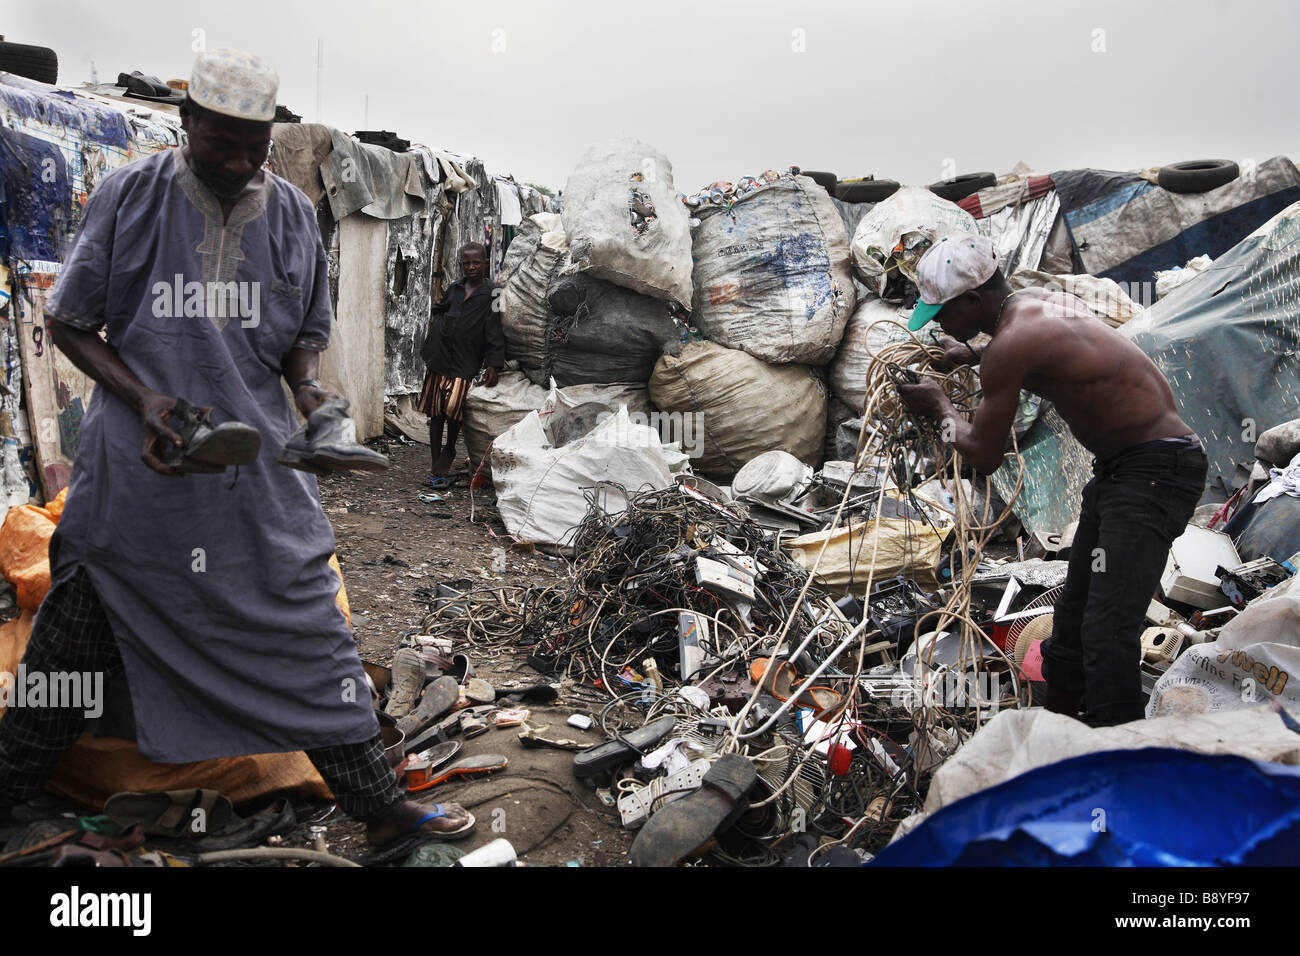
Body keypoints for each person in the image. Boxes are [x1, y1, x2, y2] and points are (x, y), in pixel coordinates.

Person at [0, 49, 473, 846]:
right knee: (76, 634)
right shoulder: (130, 196)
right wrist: (149, 400)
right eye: (223, 142)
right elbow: (70, 323)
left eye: (255, 145)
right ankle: (9, 787)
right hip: (142, 466)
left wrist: (312, 395)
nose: (241, 161)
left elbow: (303, 340)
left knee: (304, 621)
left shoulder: (290, 212)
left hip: (249, 467)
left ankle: (379, 810)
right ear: (187, 123)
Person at [896, 234, 1207, 727]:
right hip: (1128, 469)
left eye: (941, 312)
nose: (935, 322)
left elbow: (985, 454)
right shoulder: (1037, 303)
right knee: (1073, 624)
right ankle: (1053, 737)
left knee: (1107, 632)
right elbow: (1049, 349)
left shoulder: (1009, 346)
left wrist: (939, 407)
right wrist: (970, 355)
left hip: (1154, 472)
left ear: (973, 301)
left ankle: (1118, 762)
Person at [419, 243, 503, 479]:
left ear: (485, 263)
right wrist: (439, 324)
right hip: (440, 356)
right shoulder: (455, 288)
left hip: (466, 359)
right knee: (435, 411)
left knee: (453, 410)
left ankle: (449, 448)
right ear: (461, 265)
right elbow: (441, 308)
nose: (471, 267)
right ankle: (437, 462)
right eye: (466, 263)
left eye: (476, 262)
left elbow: (495, 329)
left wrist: (493, 364)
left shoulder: (494, 293)